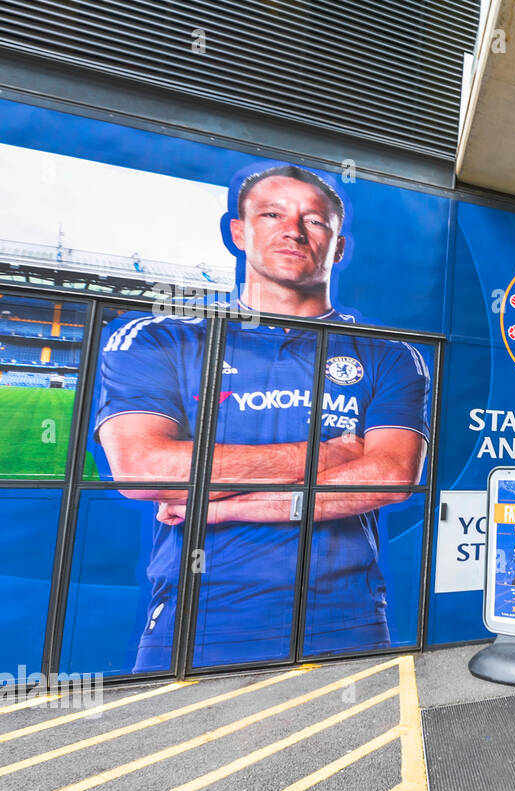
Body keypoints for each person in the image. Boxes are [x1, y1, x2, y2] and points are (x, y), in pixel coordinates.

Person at [95, 164, 431, 671]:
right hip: (196, 617)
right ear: (239, 232)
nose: (293, 230)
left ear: (338, 247)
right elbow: (144, 469)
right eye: (272, 213)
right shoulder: (161, 338)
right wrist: (330, 454)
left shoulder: (390, 354)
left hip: (346, 618)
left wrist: (223, 506)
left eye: (315, 221)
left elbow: (390, 478)